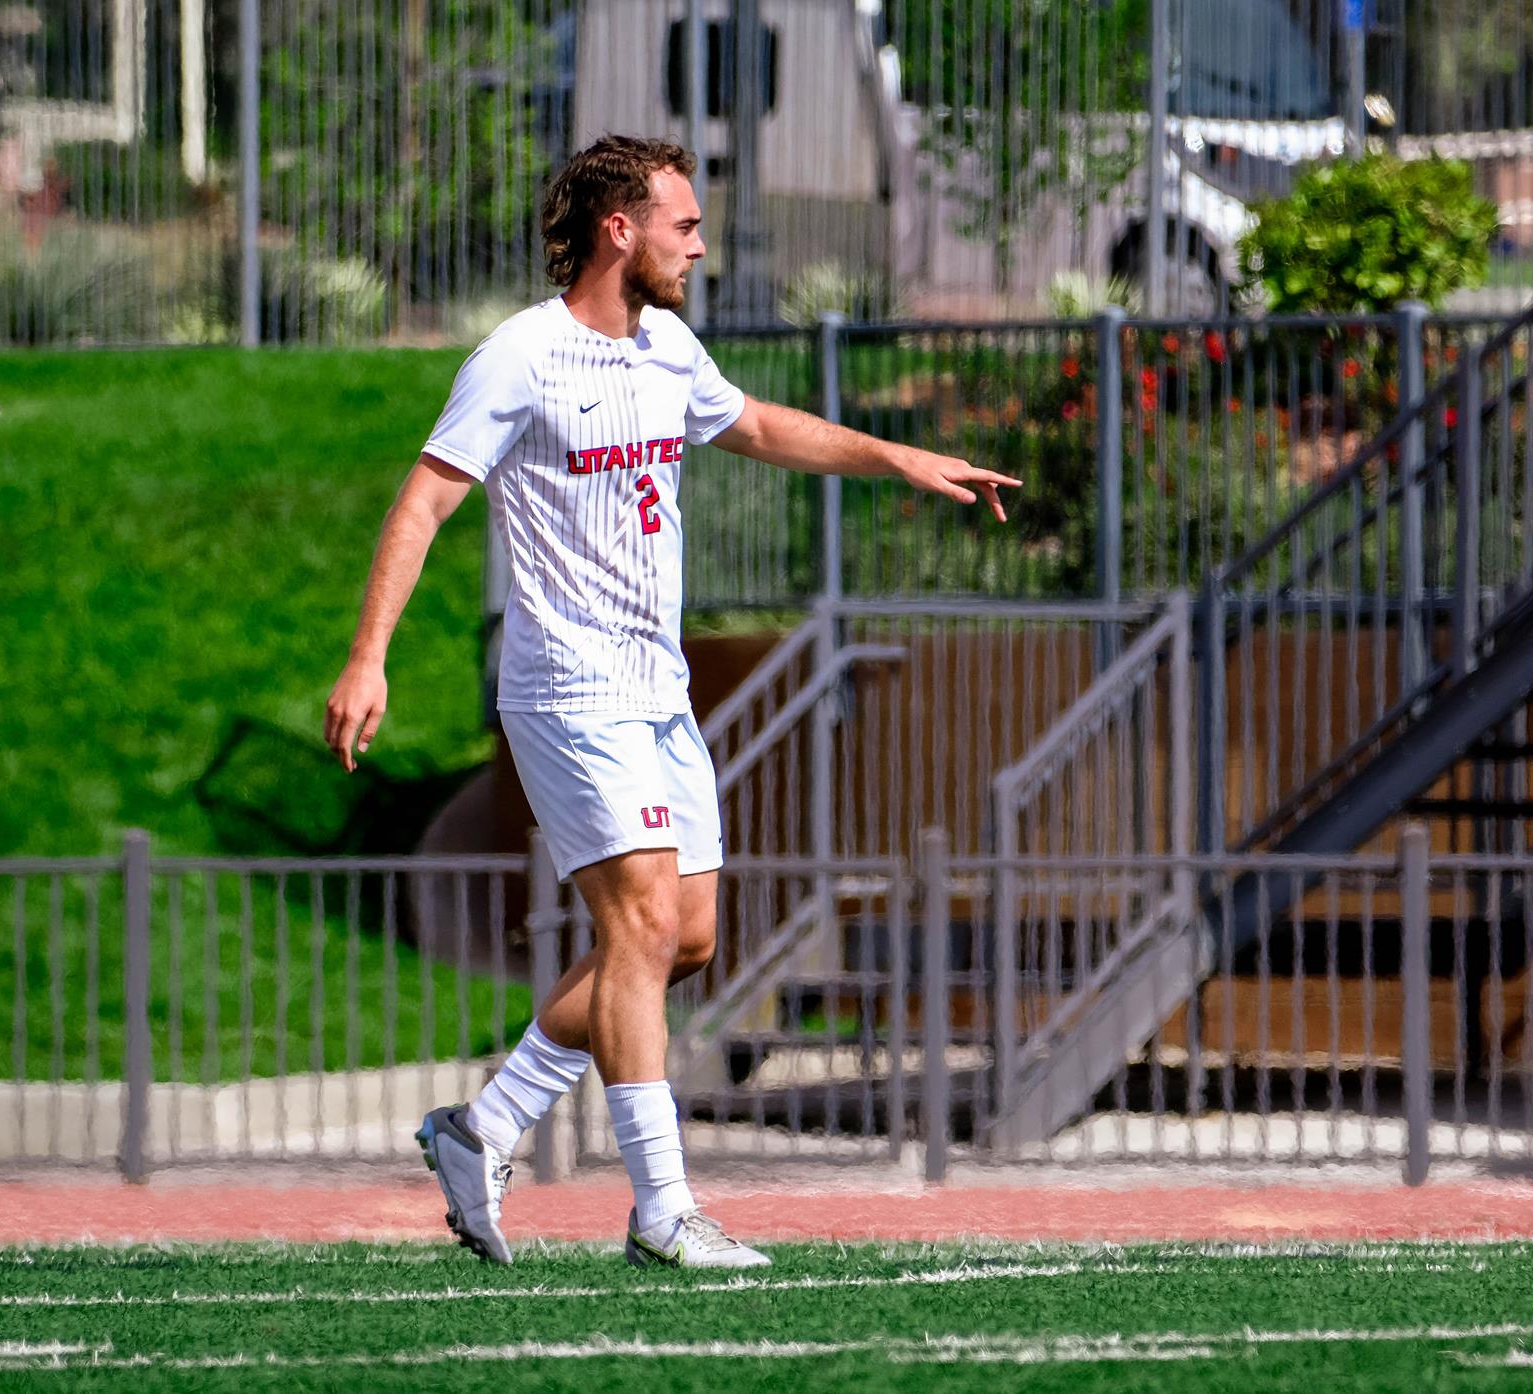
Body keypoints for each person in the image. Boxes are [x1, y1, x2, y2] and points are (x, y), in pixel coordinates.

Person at [324, 134, 1019, 1268]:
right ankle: (661, 1207)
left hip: (658, 687)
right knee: (638, 924)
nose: (699, 244)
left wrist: (895, 456)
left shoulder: (667, 348)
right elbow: (422, 504)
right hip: (565, 686)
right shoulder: (520, 358)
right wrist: (368, 656)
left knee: (682, 938)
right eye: (683, 225)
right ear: (619, 230)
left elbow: (752, 426)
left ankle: (484, 1124)